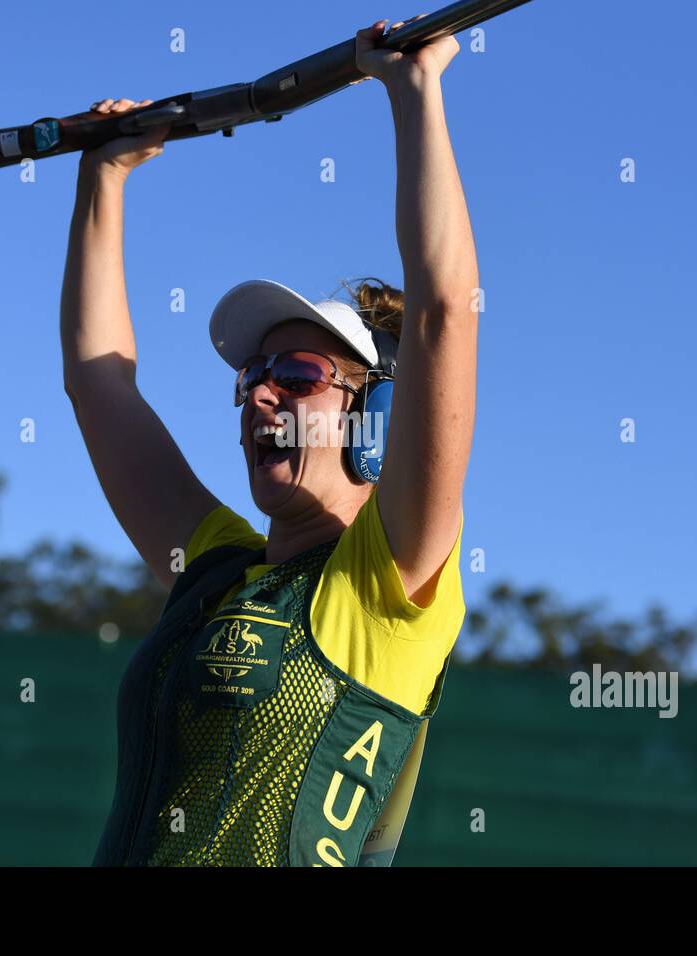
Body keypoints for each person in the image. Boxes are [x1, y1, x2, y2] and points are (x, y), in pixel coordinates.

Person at [61, 17, 478, 867]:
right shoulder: (212, 566)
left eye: (295, 373)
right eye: (251, 372)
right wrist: (103, 180)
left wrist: (414, 92)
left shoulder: (385, 578)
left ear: (377, 416)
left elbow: (444, 313)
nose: (257, 391)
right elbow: (96, 381)